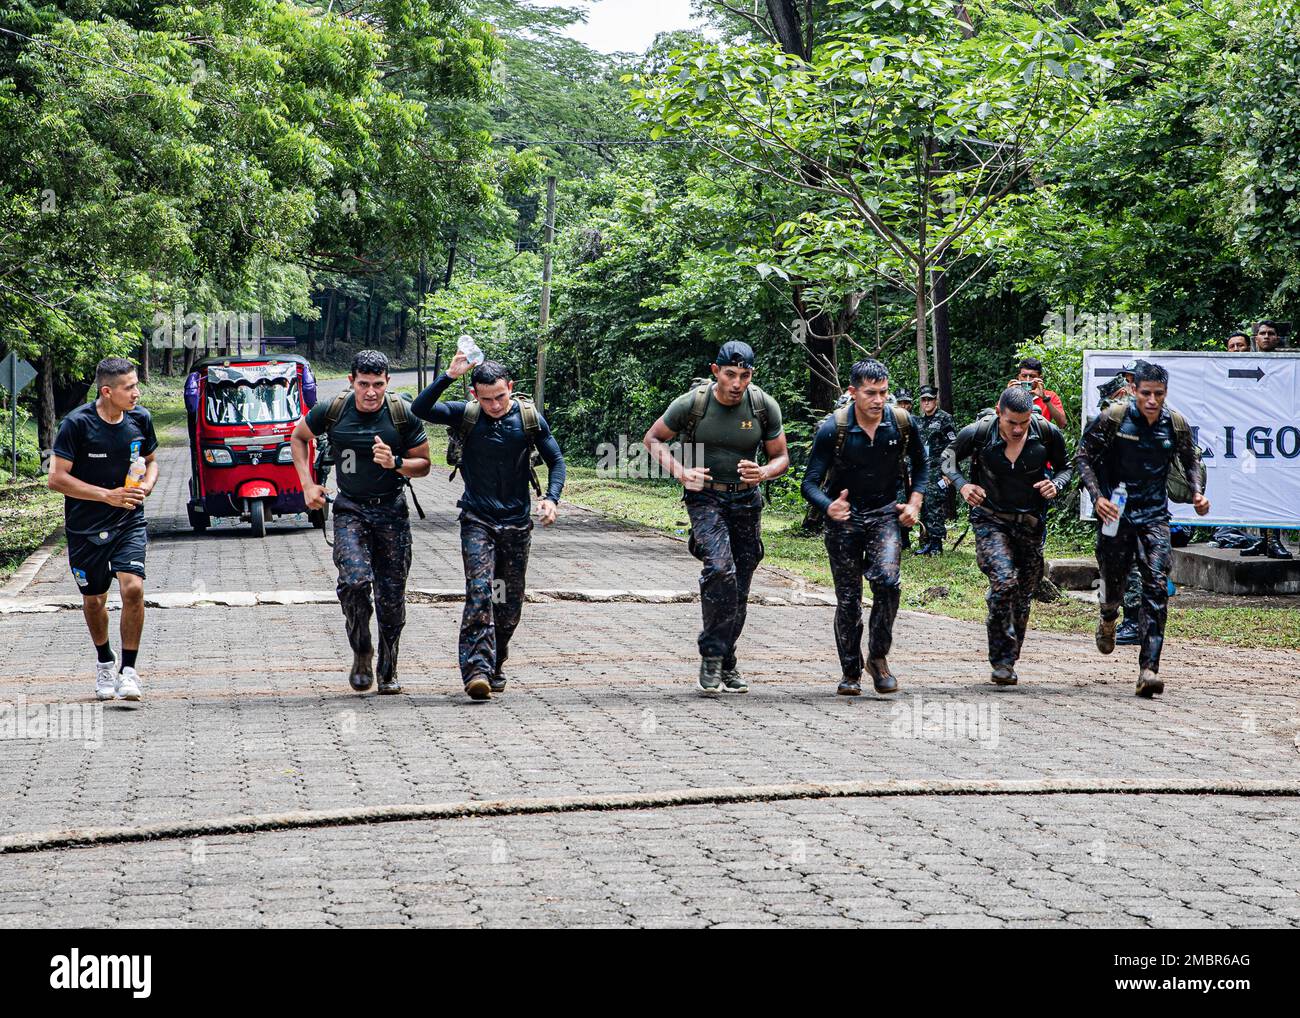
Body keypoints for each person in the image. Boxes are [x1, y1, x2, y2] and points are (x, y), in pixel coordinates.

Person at [412, 354, 566, 701]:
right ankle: (476, 670)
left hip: (515, 524)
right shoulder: (464, 414)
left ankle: (496, 659)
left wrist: (552, 498)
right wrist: (449, 375)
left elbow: (556, 460)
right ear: (474, 395)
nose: (495, 405)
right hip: (477, 520)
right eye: (486, 398)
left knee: (507, 604)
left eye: (500, 396)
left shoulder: (528, 419)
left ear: (510, 389)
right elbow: (420, 408)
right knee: (481, 591)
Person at [643, 341, 789, 695]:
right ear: (716, 372)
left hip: (746, 502)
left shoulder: (762, 405)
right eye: (730, 374)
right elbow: (653, 439)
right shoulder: (693, 403)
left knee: (739, 587)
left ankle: (728, 658)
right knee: (720, 570)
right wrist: (680, 471)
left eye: (745, 375)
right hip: (705, 498)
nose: (737, 383)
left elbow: (781, 457)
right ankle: (711, 654)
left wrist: (764, 473)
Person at [294, 350, 431, 695]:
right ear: (351, 381)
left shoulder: (402, 413)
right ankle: (361, 649)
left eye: (379, 385)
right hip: (350, 508)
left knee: (391, 597)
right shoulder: (334, 410)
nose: (371, 392)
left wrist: (396, 462)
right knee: (354, 582)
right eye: (364, 384)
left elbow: (424, 463)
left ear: (387, 383)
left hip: (391, 511)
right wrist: (307, 484)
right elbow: (298, 438)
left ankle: (389, 666)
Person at [1076, 362, 1210, 697]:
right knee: (1113, 582)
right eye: (1146, 393)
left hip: (1154, 516)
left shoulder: (1174, 423)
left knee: (1155, 586)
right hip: (1115, 514)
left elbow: (1189, 460)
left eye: (1159, 394)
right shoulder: (1114, 419)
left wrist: (1196, 492)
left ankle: (1148, 669)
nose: (1152, 400)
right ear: (1134, 390)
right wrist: (1098, 498)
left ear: (1165, 393)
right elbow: (1082, 457)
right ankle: (1108, 617)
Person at [802, 359, 927, 696]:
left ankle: (879, 658)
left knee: (887, 582)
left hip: (885, 514)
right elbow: (809, 483)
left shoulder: (901, 423)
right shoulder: (834, 428)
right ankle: (850, 671)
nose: (878, 400)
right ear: (853, 392)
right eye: (870, 393)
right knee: (848, 600)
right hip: (844, 520)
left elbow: (922, 465)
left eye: (883, 393)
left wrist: (914, 502)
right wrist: (829, 505)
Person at [942, 386, 1072, 685]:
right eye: (1011, 422)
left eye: (1023, 423)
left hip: (1029, 523)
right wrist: (962, 484)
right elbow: (946, 460)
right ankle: (999, 659)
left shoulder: (1047, 433)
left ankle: (1009, 660)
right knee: (1003, 580)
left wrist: (1057, 484)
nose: (1017, 429)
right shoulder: (977, 432)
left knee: (1023, 595)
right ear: (999, 412)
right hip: (990, 519)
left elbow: (1066, 467)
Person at [47, 357, 159, 701]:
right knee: (94, 600)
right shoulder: (76, 424)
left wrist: (147, 487)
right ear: (107, 391)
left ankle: (129, 670)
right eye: (130, 387)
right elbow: (56, 478)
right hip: (85, 527)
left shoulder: (141, 419)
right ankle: (104, 662)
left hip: (128, 520)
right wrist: (106, 495)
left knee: (133, 589)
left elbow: (152, 461)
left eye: (137, 385)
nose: (137, 393)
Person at [914, 385, 957, 556]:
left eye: (929, 399)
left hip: (938, 471)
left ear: (935, 400)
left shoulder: (945, 419)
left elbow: (953, 446)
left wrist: (948, 473)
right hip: (923, 472)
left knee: (935, 507)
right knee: (924, 508)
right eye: (923, 400)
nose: (926, 403)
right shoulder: (919, 421)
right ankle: (927, 543)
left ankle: (937, 544)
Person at [1009, 357, 1067, 429]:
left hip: (1041, 438)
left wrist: (1045, 399)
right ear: (1018, 377)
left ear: (1040, 378)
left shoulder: (1050, 396)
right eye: (1024, 376)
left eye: (1032, 376)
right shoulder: (1011, 394)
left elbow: (1062, 424)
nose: (1027, 380)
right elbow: (999, 421)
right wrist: (1009, 396)